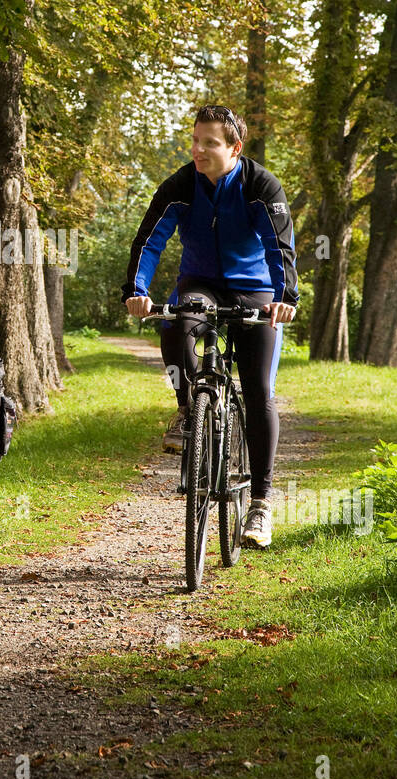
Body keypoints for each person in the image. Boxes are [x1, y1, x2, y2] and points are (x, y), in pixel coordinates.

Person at [122, 104, 298, 549]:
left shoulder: (261, 185)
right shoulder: (181, 185)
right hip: (200, 285)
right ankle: (188, 409)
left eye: (209, 143)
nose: (198, 150)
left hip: (254, 289)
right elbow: (148, 240)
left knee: (258, 391)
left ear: (234, 148)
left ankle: (259, 504)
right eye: (195, 140)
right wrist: (136, 289)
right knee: (178, 321)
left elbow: (281, 247)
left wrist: (284, 297)